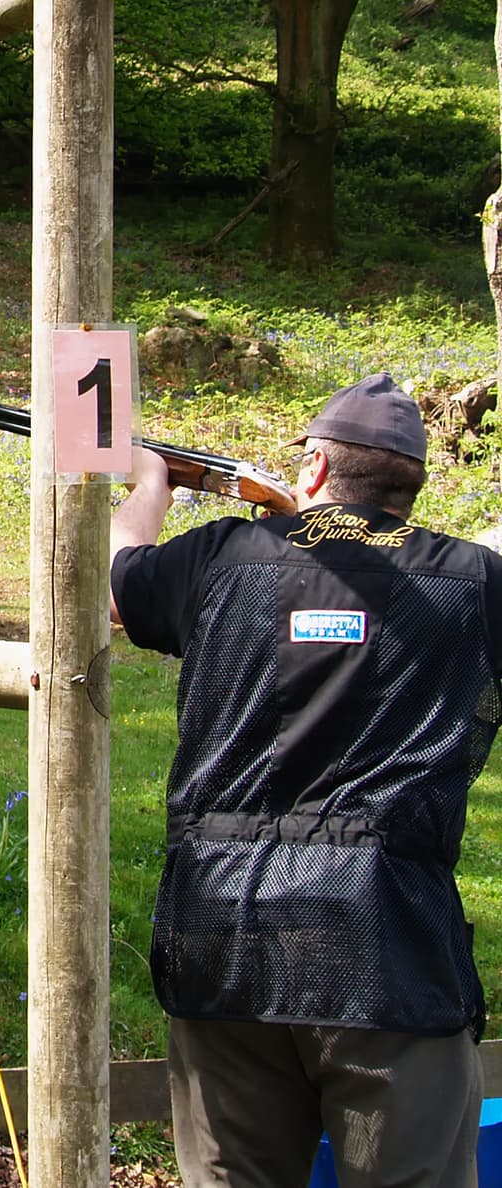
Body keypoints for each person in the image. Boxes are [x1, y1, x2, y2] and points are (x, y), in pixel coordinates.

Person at [108, 373, 502, 1188]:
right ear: (411, 483)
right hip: (389, 950)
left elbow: (118, 580)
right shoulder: (473, 583)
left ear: (315, 468)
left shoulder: (221, 558)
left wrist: (150, 485)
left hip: (224, 938)